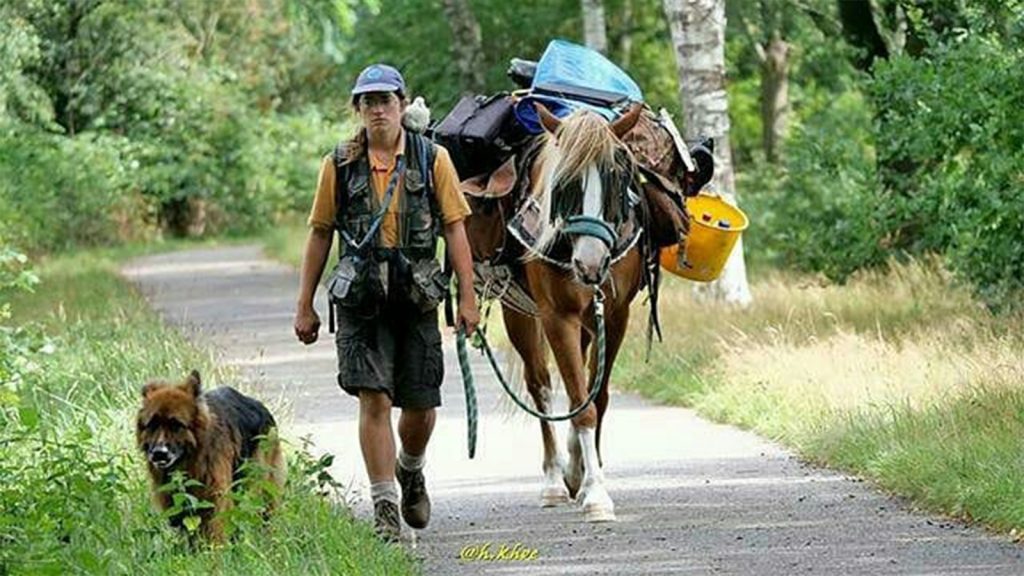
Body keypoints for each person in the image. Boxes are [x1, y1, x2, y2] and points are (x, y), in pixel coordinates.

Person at [293, 63, 479, 542]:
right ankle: (384, 509)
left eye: (386, 100)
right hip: (361, 301)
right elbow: (319, 233)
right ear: (359, 109)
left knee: (420, 408)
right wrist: (305, 304)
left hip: (416, 298)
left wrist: (468, 297)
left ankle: (410, 468)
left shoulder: (432, 158)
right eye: (368, 102)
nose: (378, 109)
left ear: (402, 103)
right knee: (373, 399)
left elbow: (456, 228)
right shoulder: (337, 164)